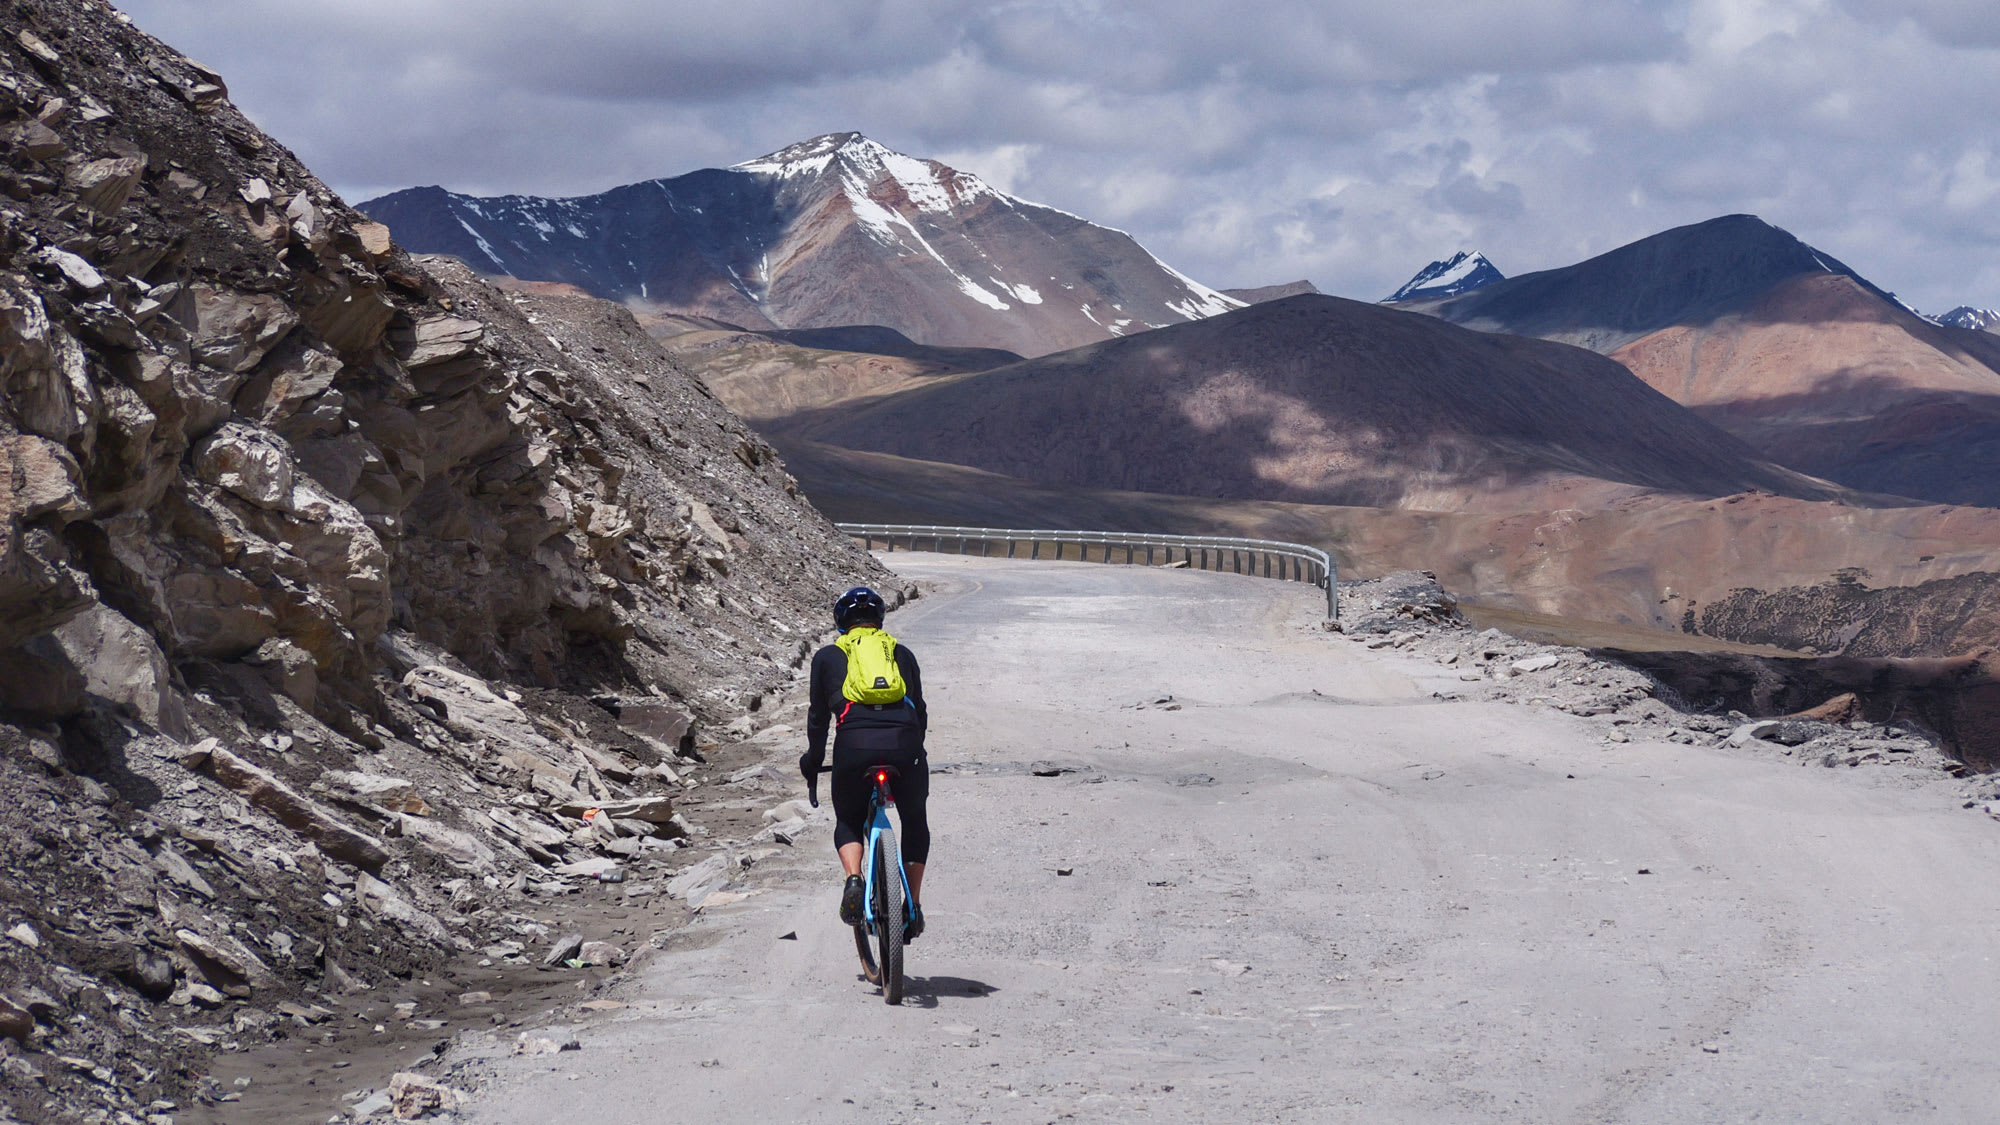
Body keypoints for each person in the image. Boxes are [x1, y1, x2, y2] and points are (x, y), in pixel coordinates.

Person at [799, 586, 930, 941]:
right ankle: (913, 905)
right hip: (905, 744)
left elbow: (817, 720)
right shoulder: (901, 653)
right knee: (914, 817)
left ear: (841, 623)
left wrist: (812, 762)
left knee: (848, 819)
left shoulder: (826, 657)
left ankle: (855, 878)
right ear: (880, 620)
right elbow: (920, 712)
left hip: (854, 746)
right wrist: (914, 751)